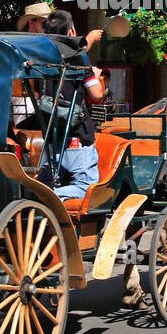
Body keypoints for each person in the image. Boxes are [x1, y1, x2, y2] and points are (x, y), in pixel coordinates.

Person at [36, 11, 106, 200]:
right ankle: (50, 197)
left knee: (41, 183)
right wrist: (96, 75)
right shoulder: (80, 60)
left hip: (51, 142)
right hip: (76, 142)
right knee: (86, 188)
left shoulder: (40, 60)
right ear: (70, 32)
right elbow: (97, 95)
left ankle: (40, 197)